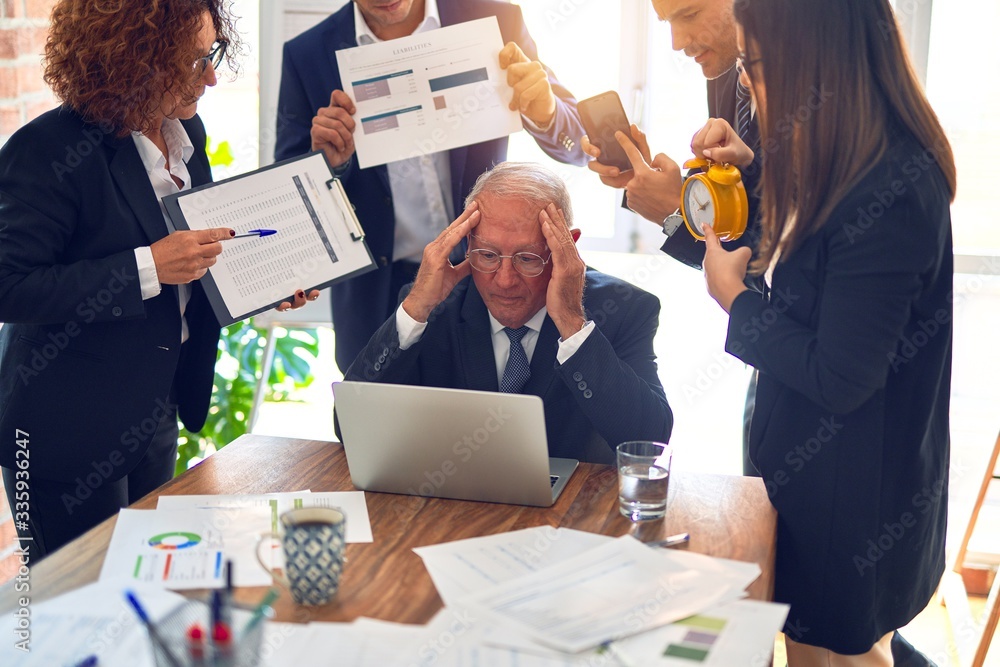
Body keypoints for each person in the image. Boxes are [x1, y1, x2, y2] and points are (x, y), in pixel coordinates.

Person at [0, 0, 314, 559]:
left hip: (153, 410)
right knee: (73, 611)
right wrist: (149, 265)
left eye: (212, 53)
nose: (212, 76)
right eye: (193, 60)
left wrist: (266, 281)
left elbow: (190, 268)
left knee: (150, 588)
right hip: (62, 432)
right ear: (132, 58)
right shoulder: (45, 151)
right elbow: (9, 285)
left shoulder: (185, 131)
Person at [698, 0, 954, 663]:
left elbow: (841, 375)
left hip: (855, 498)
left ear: (812, 62)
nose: (749, 81)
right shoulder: (844, 157)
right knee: (810, 642)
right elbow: (821, 273)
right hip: (819, 480)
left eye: (753, 62)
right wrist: (753, 169)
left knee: (843, 648)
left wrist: (735, 301)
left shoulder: (889, 188)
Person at [275, 0, 589, 373]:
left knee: (481, 417)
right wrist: (330, 164)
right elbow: (291, 192)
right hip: (374, 293)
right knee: (373, 419)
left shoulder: (495, 19)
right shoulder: (307, 54)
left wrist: (546, 112)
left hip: (480, 273)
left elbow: (579, 144)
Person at [340, 162, 672, 464]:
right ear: (467, 244)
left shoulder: (625, 310)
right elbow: (349, 425)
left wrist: (572, 322)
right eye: (487, 255)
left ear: (566, 248)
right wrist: (415, 310)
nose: (505, 280)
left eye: (527, 258)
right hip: (452, 505)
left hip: (571, 513)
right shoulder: (432, 307)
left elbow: (648, 442)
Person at [582, 0, 764, 478]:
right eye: (666, 23)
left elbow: (781, 240)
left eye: (688, 14)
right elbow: (740, 210)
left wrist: (675, 210)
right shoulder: (726, 73)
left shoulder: (807, 90)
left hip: (803, 346)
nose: (677, 44)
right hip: (770, 351)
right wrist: (667, 190)